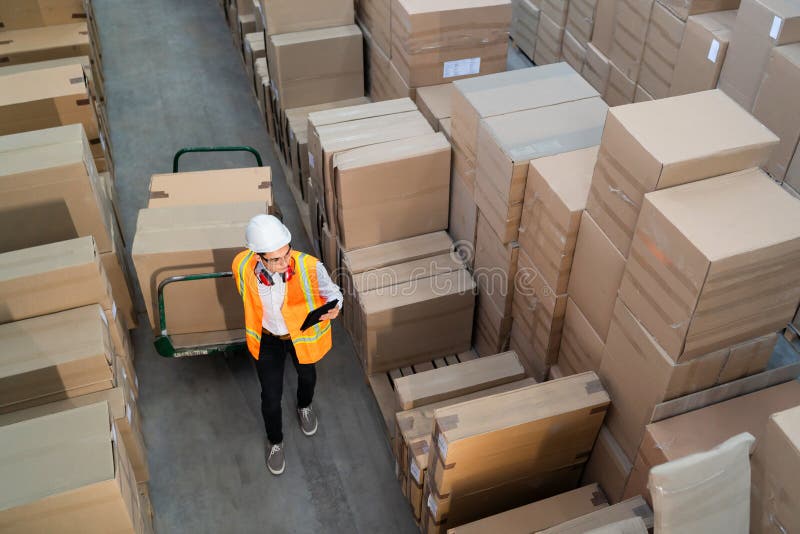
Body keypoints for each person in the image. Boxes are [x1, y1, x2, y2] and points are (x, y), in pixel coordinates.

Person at [232, 214, 342, 475]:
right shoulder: (241, 267)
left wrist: (335, 307)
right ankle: (275, 442)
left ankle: (304, 406)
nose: (285, 262)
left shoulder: (308, 267)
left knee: (308, 377)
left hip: (299, 335)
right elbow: (245, 295)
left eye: (287, 253)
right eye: (276, 259)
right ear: (258, 258)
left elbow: (333, 293)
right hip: (267, 339)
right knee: (270, 398)